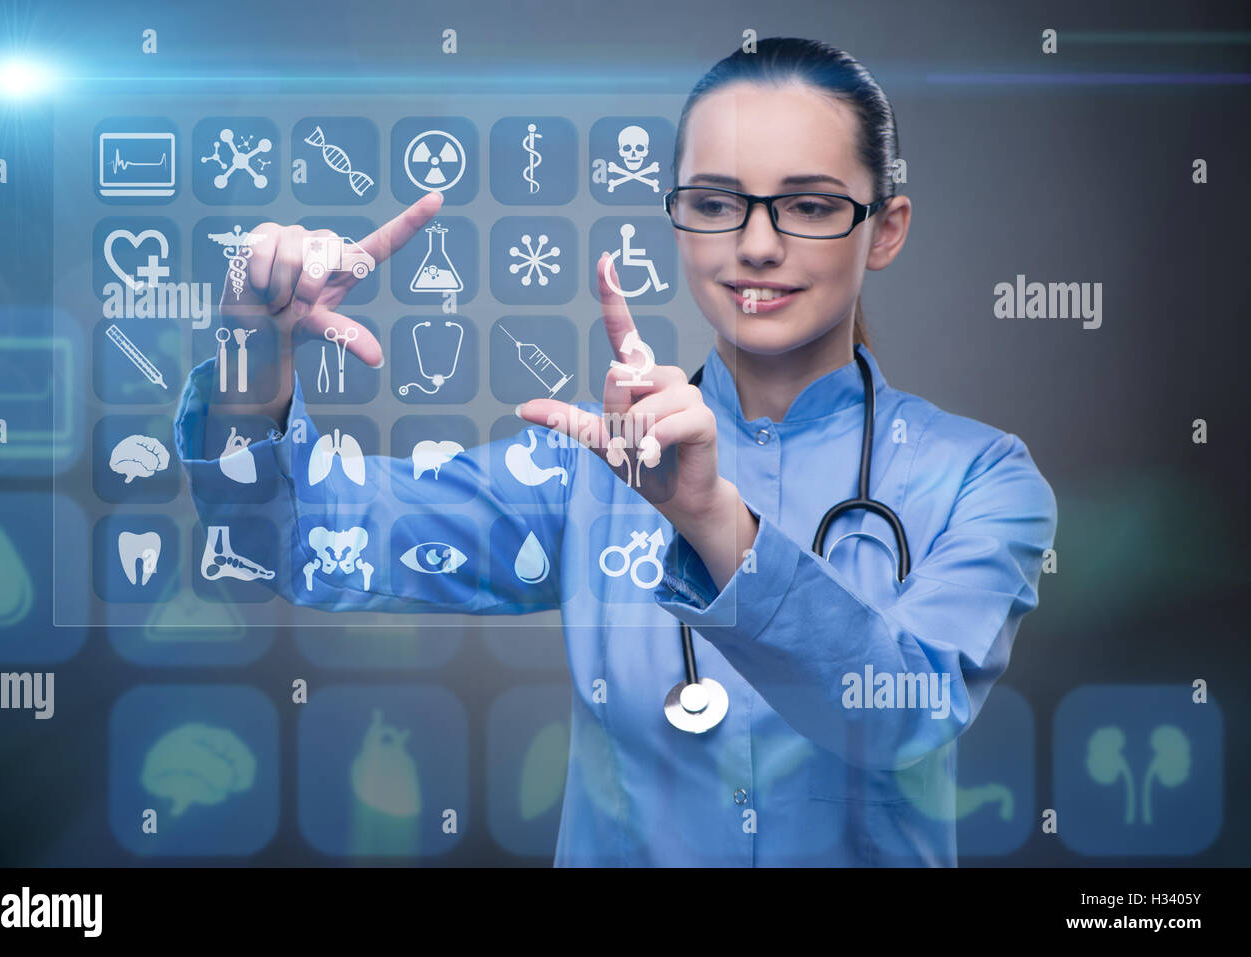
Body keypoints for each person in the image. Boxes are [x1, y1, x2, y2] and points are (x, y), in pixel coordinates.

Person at [174, 36, 1057, 866]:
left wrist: (714, 521)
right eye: (715, 203)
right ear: (678, 223)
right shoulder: (586, 471)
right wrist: (258, 352)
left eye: (810, 205)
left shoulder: (979, 476)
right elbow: (289, 541)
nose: (756, 243)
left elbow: (908, 710)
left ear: (887, 227)